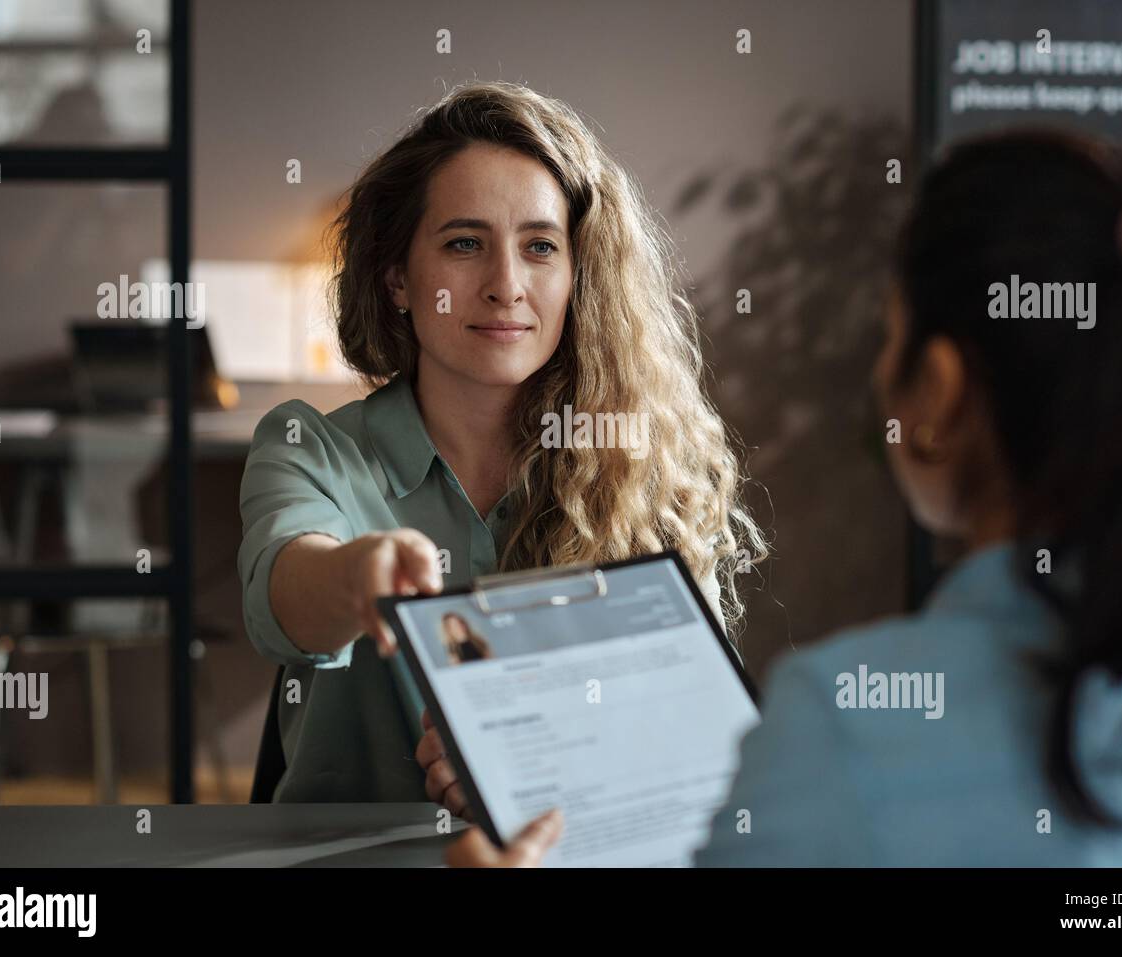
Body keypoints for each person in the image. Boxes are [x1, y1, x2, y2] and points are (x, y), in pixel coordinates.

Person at [447, 128, 1122, 866]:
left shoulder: (841, 724)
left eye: (891, 333)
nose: (506, 285)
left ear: (939, 391)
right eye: (464, 244)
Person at [237, 81, 767, 807]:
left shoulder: (642, 467)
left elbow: (699, 739)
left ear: (578, 277)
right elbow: (284, 594)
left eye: (540, 247)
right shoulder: (311, 448)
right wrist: (357, 578)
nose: (506, 285)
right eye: (464, 244)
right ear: (398, 278)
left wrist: (550, 766)